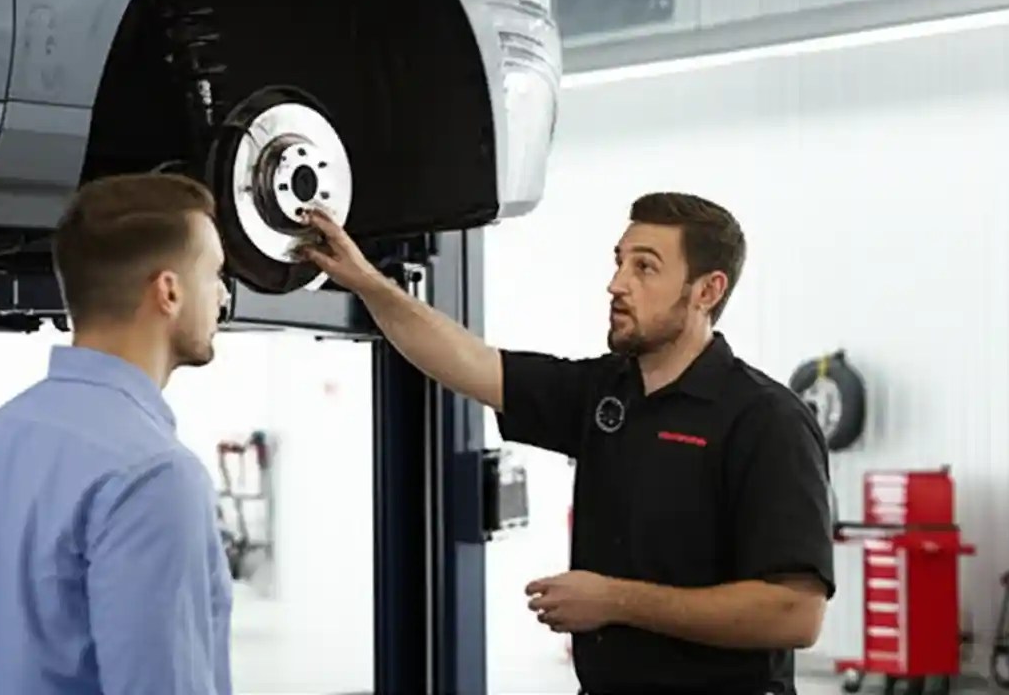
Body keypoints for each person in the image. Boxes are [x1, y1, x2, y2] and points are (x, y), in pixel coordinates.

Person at [296, 193, 834, 695]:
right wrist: (368, 282)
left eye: (644, 267)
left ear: (707, 291)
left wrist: (614, 600)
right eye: (619, 261)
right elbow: (469, 362)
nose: (616, 284)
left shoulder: (766, 421)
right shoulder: (605, 393)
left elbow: (793, 613)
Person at [0, 173, 234, 695]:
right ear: (168, 291)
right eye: (215, 273)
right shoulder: (156, 475)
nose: (221, 294)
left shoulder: (0, 436)